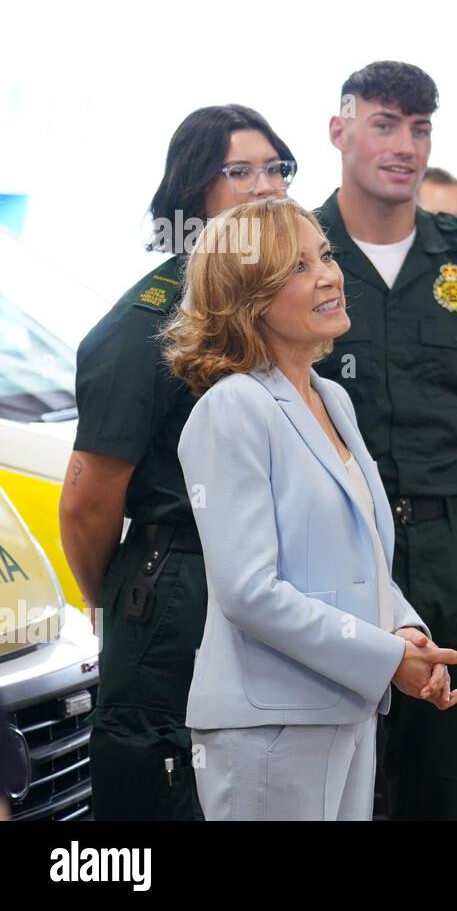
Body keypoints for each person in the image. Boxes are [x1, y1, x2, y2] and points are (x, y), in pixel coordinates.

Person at [165, 197, 457, 821]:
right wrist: (387, 658)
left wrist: (404, 631)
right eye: (298, 268)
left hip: (342, 711)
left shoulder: (331, 398)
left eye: (325, 255)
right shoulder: (233, 408)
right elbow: (249, 592)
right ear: (249, 299)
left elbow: (359, 562)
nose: (329, 274)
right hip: (268, 730)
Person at [59, 105, 296, 820]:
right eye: (241, 171)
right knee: (163, 789)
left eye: (277, 168)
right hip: (179, 582)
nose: (267, 187)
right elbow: (87, 502)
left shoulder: (282, 308)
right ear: (194, 193)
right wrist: (130, 602)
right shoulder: (149, 326)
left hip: (275, 582)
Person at [313, 61, 457, 820]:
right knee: (334, 765)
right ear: (340, 132)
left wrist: (431, 519)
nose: (405, 144)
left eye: (420, 126)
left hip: (450, 543)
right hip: (329, 553)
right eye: (385, 123)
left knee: (449, 769)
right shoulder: (297, 257)